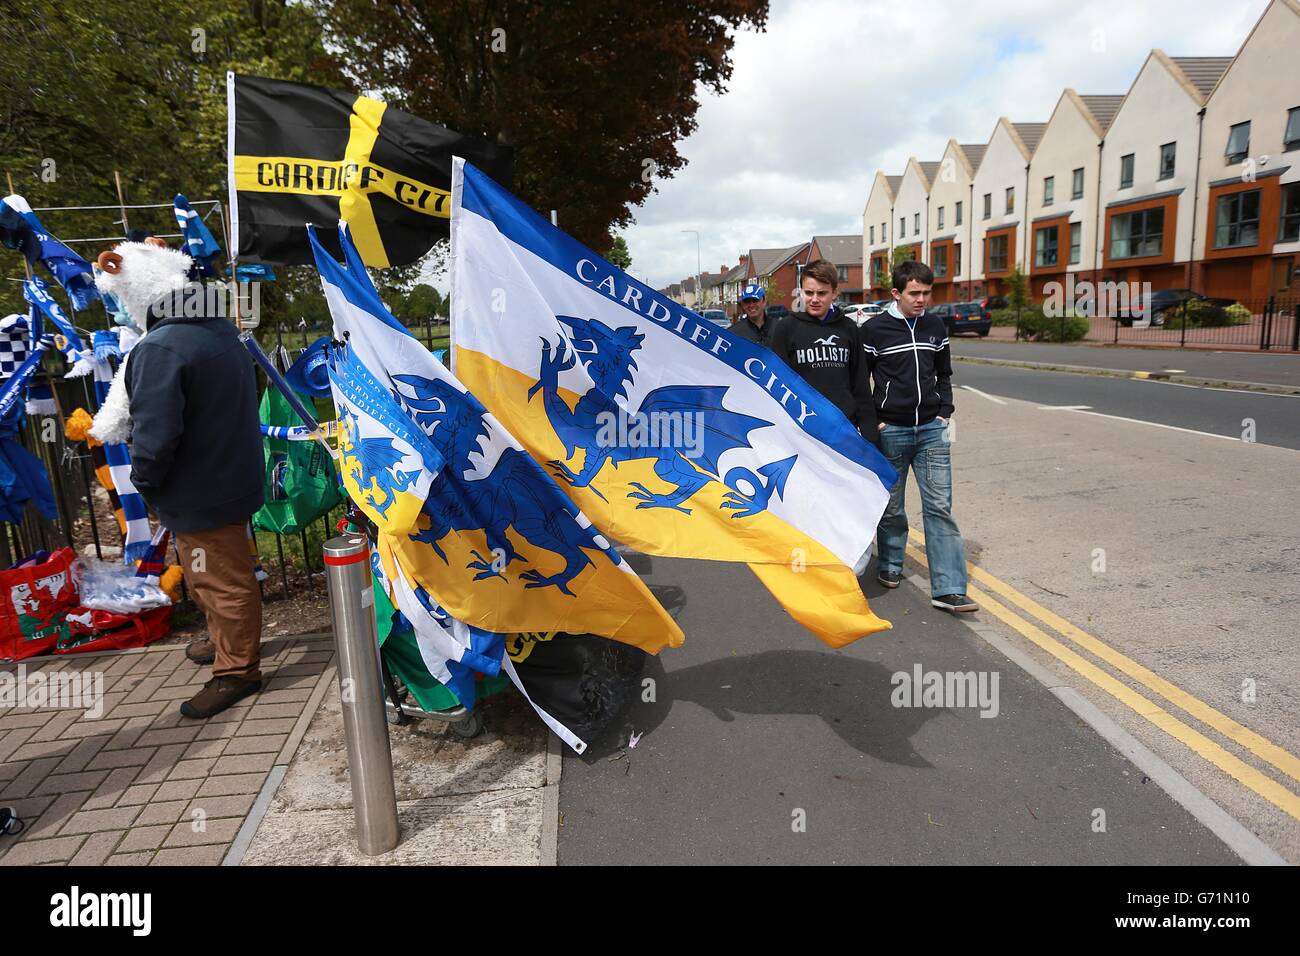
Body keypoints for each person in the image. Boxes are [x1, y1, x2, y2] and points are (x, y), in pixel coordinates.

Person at [104, 241, 268, 717]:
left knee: (218, 579)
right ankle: (226, 642)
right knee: (216, 572)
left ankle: (237, 669)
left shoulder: (160, 347)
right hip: (229, 477)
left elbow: (155, 434)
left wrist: (146, 480)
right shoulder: (219, 330)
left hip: (198, 488)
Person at [861, 259, 976, 614]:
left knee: (939, 507)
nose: (922, 299)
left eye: (927, 292)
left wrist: (945, 412)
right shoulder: (875, 330)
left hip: (931, 430)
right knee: (892, 506)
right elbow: (860, 382)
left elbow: (944, 373)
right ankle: (891, 562)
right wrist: (874, 422)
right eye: (915, 293)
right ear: (896, 293)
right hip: (891, 430)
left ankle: (949, 588)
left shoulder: (935, 326)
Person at [767, 258, 874, 433]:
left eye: (822, 293)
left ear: (834, 293)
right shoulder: (786, 328)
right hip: (802, 428)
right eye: (809, 293)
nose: (814, 299)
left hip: (844, 426)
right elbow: (777, 383)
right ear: (800, 292)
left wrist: (869, 431)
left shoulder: (848, 328)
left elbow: (860, 383)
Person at [730, 282, 771, 346]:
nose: (751, 305)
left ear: (764, 301)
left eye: (755, 300)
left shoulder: (779, 328)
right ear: (743, 305)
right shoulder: (734, 333)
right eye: (747, 301)